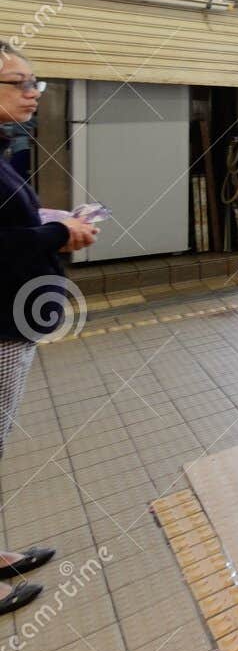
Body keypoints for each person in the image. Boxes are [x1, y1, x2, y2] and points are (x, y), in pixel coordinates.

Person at [0, 42, 98, 615]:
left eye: (34, 81)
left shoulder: (4, 150)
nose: (33, 92)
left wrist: (50, 218)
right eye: (19, 82)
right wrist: (55, 238)